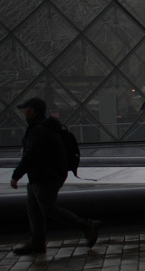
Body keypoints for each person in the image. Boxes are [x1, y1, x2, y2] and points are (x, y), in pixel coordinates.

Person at [8, 97, 101, 255]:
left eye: (25, 109)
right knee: (34, 209)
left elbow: (30, 155)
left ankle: (86, 225)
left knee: (47, 208)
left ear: (32, 110)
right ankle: (37, 243)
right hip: (45, 174)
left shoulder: (38, 129)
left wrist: (16, 175)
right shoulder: (47, 126)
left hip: (45, 175)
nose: (23, 111)